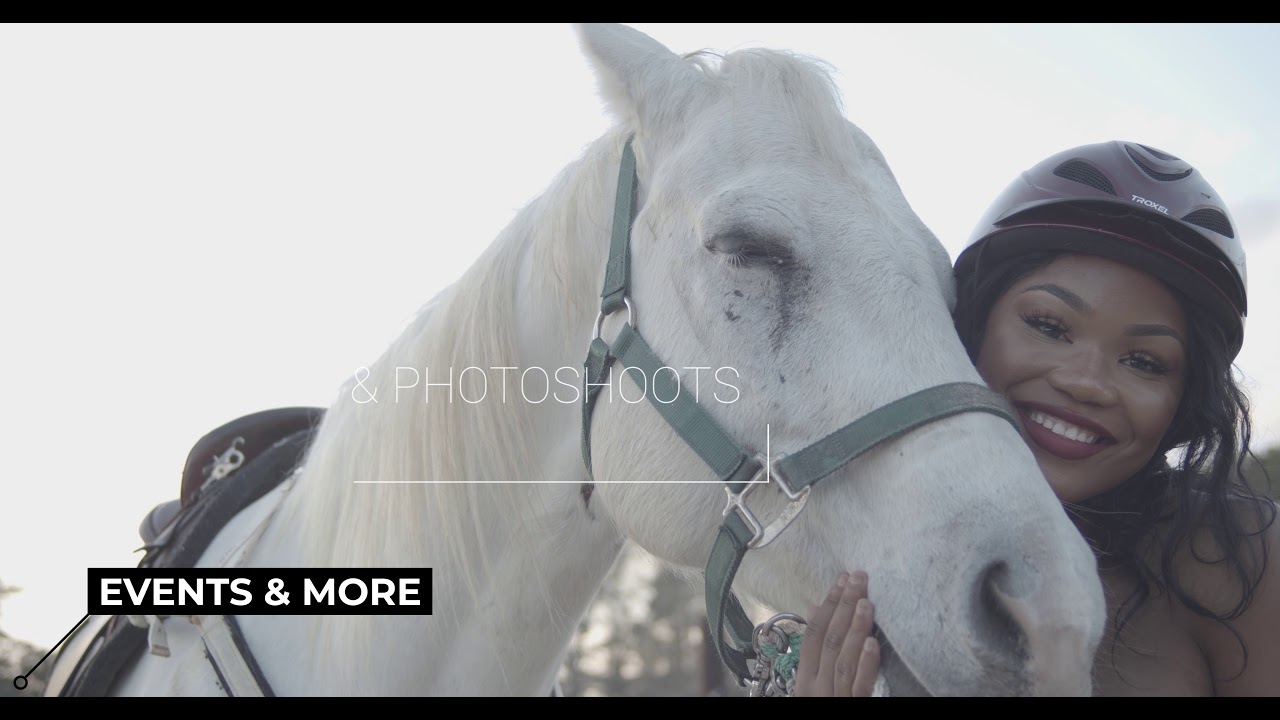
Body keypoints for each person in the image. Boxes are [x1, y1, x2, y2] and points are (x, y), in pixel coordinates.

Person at [795, 140, 1279, 697]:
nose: (1086, 382)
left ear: (1183, 401)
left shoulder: (1236, 556)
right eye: (1050, 326)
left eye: (1145, 362)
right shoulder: (859, 562)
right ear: (973, 327)